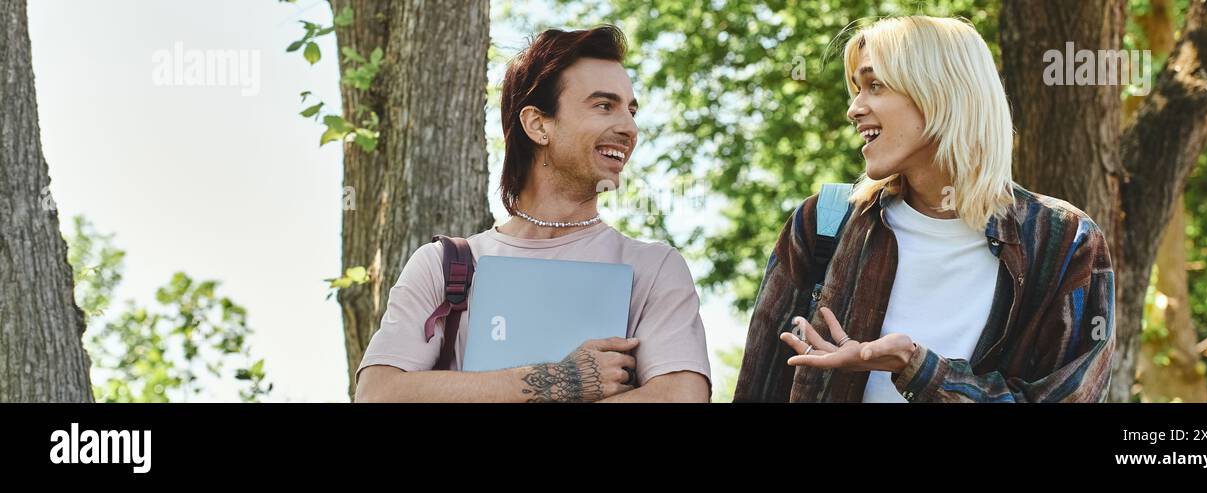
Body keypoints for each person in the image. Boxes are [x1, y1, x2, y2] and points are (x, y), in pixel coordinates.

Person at [734, 16, 1115, 403]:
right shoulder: (823, 223)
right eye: (856, 89)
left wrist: (917, 369)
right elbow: (757, 389)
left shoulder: (1065, 239)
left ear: (941, 92)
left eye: (874, 85)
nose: (853, 109)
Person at [355, 25, 710, 403]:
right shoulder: (444, 266)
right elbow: (379, 392)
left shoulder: (654, 268)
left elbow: (680, 396)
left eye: (631, 110)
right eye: (604, 105)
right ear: (538, 124)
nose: (628, 128)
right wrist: (560, 381)